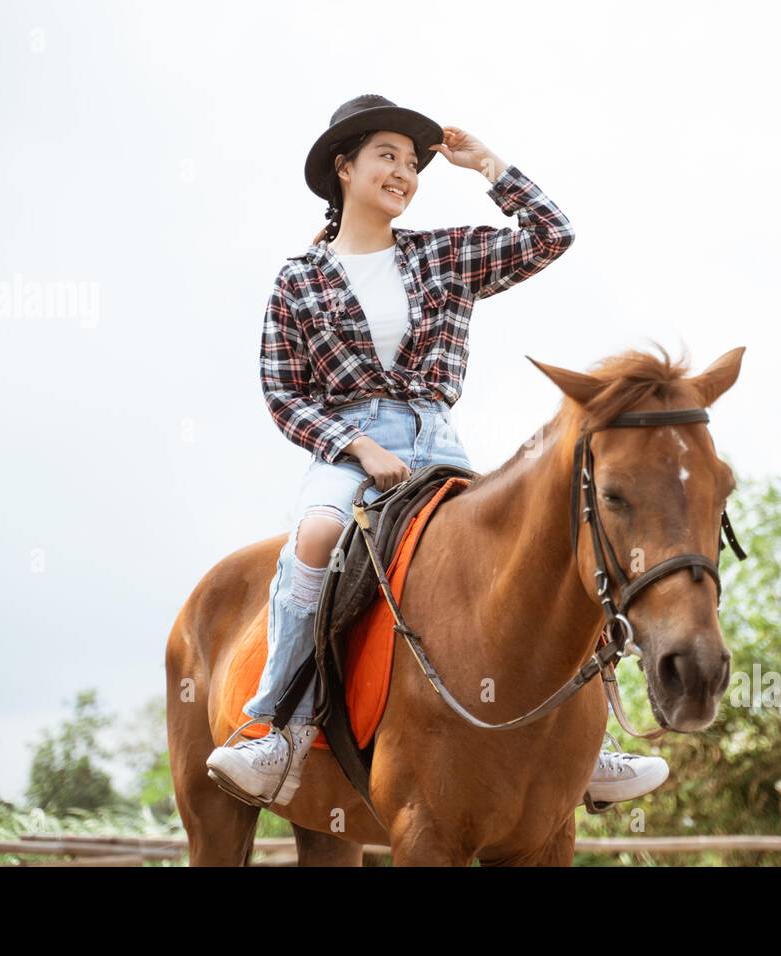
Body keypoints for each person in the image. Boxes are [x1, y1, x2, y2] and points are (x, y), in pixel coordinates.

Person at [206, 94, 669, 807]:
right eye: (386, 156)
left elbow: (551, 235)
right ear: (345, 168)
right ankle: (279, 732)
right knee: (317, 534)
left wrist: (488, 164)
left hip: (438, 441)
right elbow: (282, 392)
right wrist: (356, 445)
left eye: (412, 162)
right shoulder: (298, 279)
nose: (404, 171)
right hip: (346, 447)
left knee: (545, 540)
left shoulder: (443, 254)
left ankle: (593, 740)